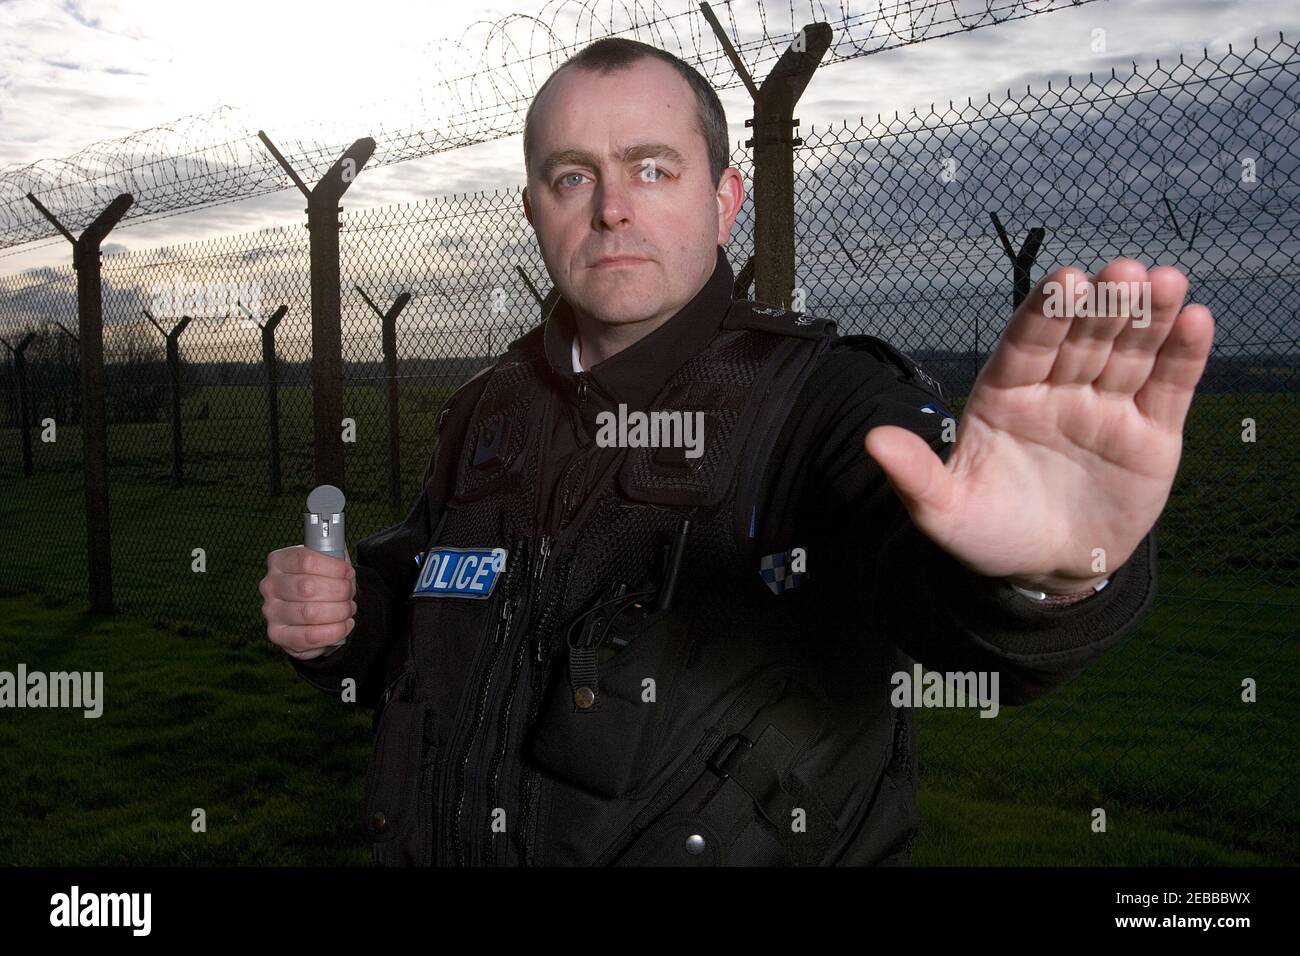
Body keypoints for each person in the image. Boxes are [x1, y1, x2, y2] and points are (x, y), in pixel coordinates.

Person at [260, 37, 1214, 866]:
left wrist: (1042, 577)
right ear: (534, 210)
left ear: (726, 201)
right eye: (572, 176)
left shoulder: (828, 400)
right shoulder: (486, 409)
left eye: (652, 168)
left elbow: (947, 605)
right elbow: (432, 616)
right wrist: (350, 615)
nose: (611, 210)